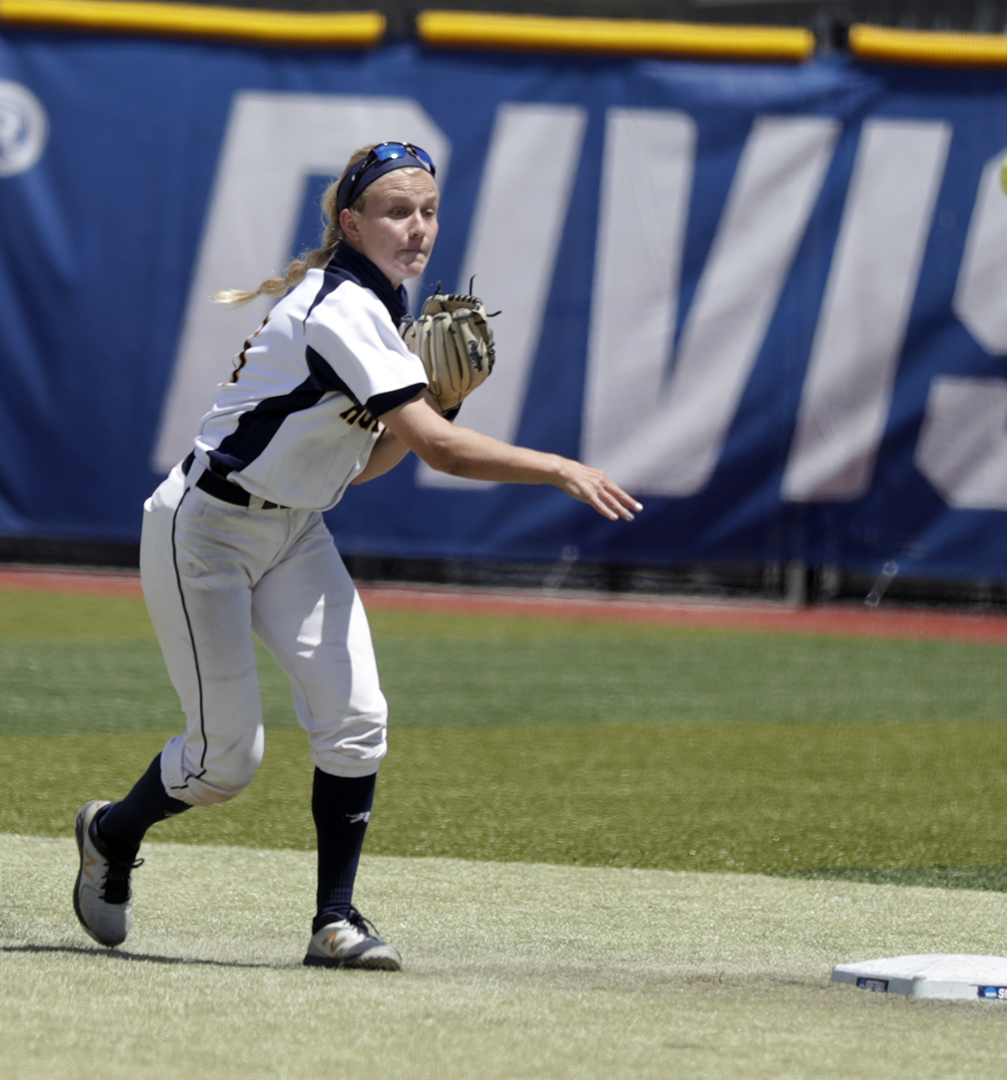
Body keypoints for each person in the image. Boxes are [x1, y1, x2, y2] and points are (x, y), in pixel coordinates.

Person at [73, 141, 641, 969]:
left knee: (357, 720)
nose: (418, 228)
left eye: (429, 210)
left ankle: (334, 922)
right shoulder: (339, 309)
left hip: (294, 529)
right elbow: (440, 454)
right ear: (350, 221)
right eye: (396, 211)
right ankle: (110, 832)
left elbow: (367, 463)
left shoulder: (381, 304)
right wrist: (555, 466)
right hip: (205, 533)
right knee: (225, 761)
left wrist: (427, 405)